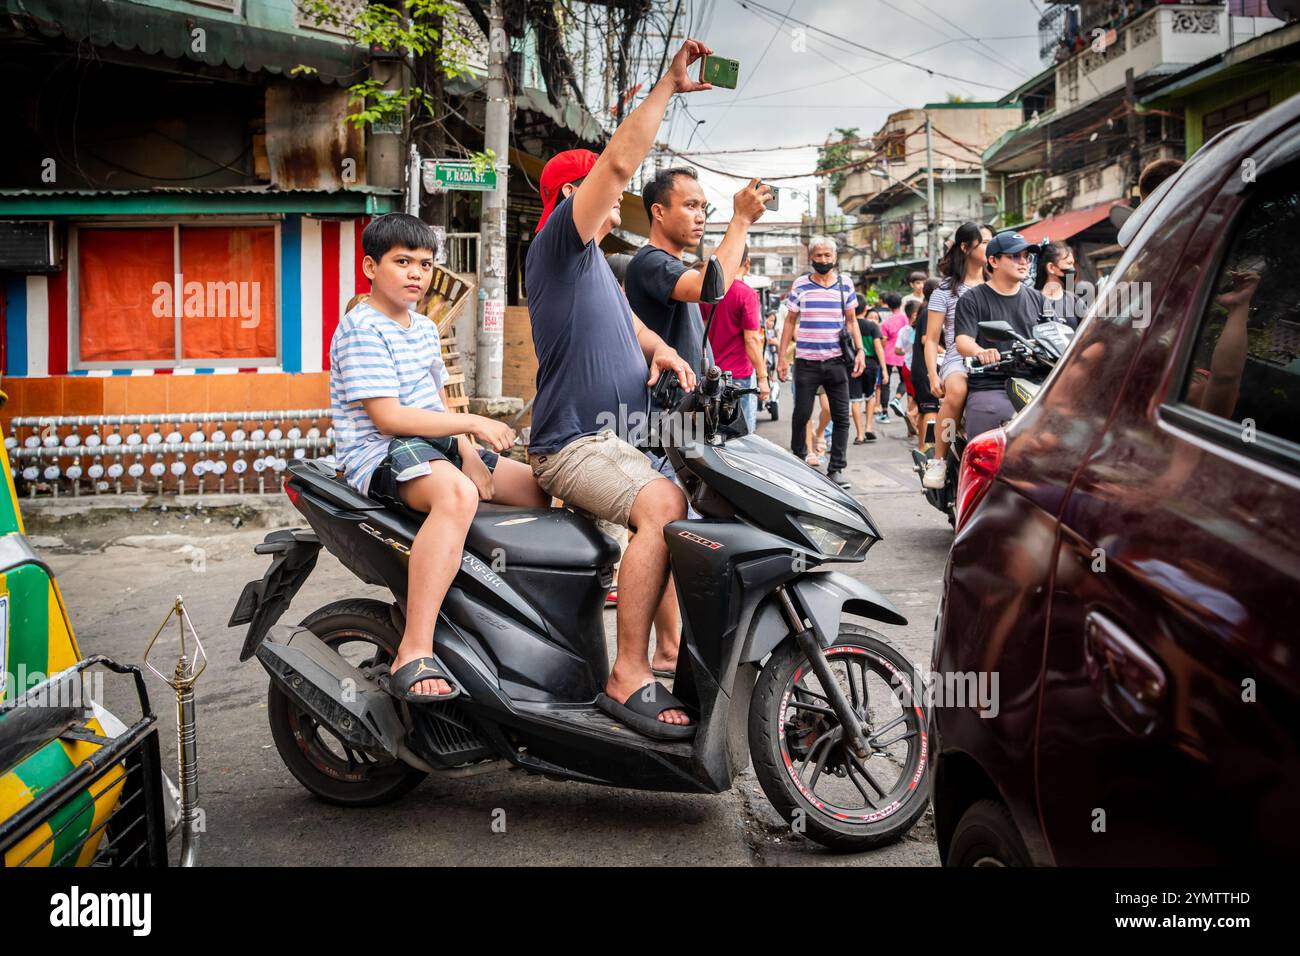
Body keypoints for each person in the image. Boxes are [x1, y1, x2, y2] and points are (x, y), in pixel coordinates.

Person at [524, 38, 711, 739]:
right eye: (610, 191)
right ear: (578, 195)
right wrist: (665, 86)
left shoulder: (597, 266)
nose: (621, 200)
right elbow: (622, 160)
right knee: (662, 506)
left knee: (686, 506)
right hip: (575, 443)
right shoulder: (559, 245)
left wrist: (662, 350)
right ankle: (627, 674)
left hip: (621, 439)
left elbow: (631, 327)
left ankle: (667, 653)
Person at [330, 213, 549, 702]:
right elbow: (388, 418)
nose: (415, 274)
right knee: (456, 494)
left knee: (540, 489)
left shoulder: (425, 328)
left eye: (425, 264)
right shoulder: (362, 328)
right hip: (377, 450)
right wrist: (470, 427)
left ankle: (494, 613)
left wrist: (468, 449)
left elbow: (438, 404)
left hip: (432, 441)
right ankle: (416, 646)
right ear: (370, 266)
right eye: (402, 261)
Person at [626, 167, 770, 378]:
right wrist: (741, 219)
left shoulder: (677, 268)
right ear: (659, 212)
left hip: (688, 406)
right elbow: (708, 288)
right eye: (690, 206)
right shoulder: (650, 262)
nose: (701, 217)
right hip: (667, 409)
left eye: (703, 207)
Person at [776, 236, 866, 489]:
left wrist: (860, 351)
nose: (823, 260)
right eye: (819, 256)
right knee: (801, 414)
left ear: (835, 258)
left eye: (827, 256)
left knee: (841, 416)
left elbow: (852, 321)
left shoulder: (844, 285)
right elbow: (790, 322)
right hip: (806, 363)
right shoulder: (801, 285)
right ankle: (798, 460)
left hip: (837, 361)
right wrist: (782, 357)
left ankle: (837, 468)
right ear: (811, 258)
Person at [954, 230, 1048, 437]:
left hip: (1037, 381)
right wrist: (981, 351)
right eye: (1014, 256)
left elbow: (1054, 331)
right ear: (993, 261)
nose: (1023, 262)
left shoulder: (1038, 299)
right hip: (993, 384)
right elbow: (963, 340)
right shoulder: (973, 299)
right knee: (986, 446)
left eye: (1027, 257)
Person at [922, 221, 992, 490]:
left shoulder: (997, 284)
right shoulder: (945, 291)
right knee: (957, 392)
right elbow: (931, 340)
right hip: (957, 359)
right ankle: (938, 459)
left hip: (998, 358)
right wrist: (932, 375)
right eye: (984, 242)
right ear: (966, 247)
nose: (990, 247)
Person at [705, 245, 769, 433]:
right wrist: (763, 377)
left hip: (711, 374)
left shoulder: (707, 293)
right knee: (742, 435)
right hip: (738, 376)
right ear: (747, 263)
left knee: (713, 433)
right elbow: (752, 340)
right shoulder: (747, 294)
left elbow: (703, 329)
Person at [910, 278, 942, 451]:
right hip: (925, 368)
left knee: (925, 410)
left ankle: (923, 448)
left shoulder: (925, 309)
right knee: (931, 409)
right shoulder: (930, 311)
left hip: (919, 367)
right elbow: (925, 339)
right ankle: (929, 448)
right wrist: (943, 350)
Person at [850, 295, 887, 443]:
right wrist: (884, 369)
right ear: (865, 309)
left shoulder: (849, 324)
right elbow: (878, 348)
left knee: (855, 399)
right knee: (870, 396)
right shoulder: (872, 326)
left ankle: (859, 434)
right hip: (871, 364)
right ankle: (869, 428)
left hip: (852, 364)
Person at [1034, 241, 1083, 328]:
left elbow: (1088, 330)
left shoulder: (1074, 301)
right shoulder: (1033, 301)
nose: (1073, 269)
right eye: (1069, 263)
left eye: (1073, 264)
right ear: (1051, 268)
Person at [878, 292, 908, 419]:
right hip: (903, 352)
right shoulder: (906, 319)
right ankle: (897, 398)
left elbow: (883, 340)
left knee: (885, 382)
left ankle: (884, 413)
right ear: (900, 303)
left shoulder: (886, 322)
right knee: (906, 380)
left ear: (888, 306)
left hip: (888, 355)